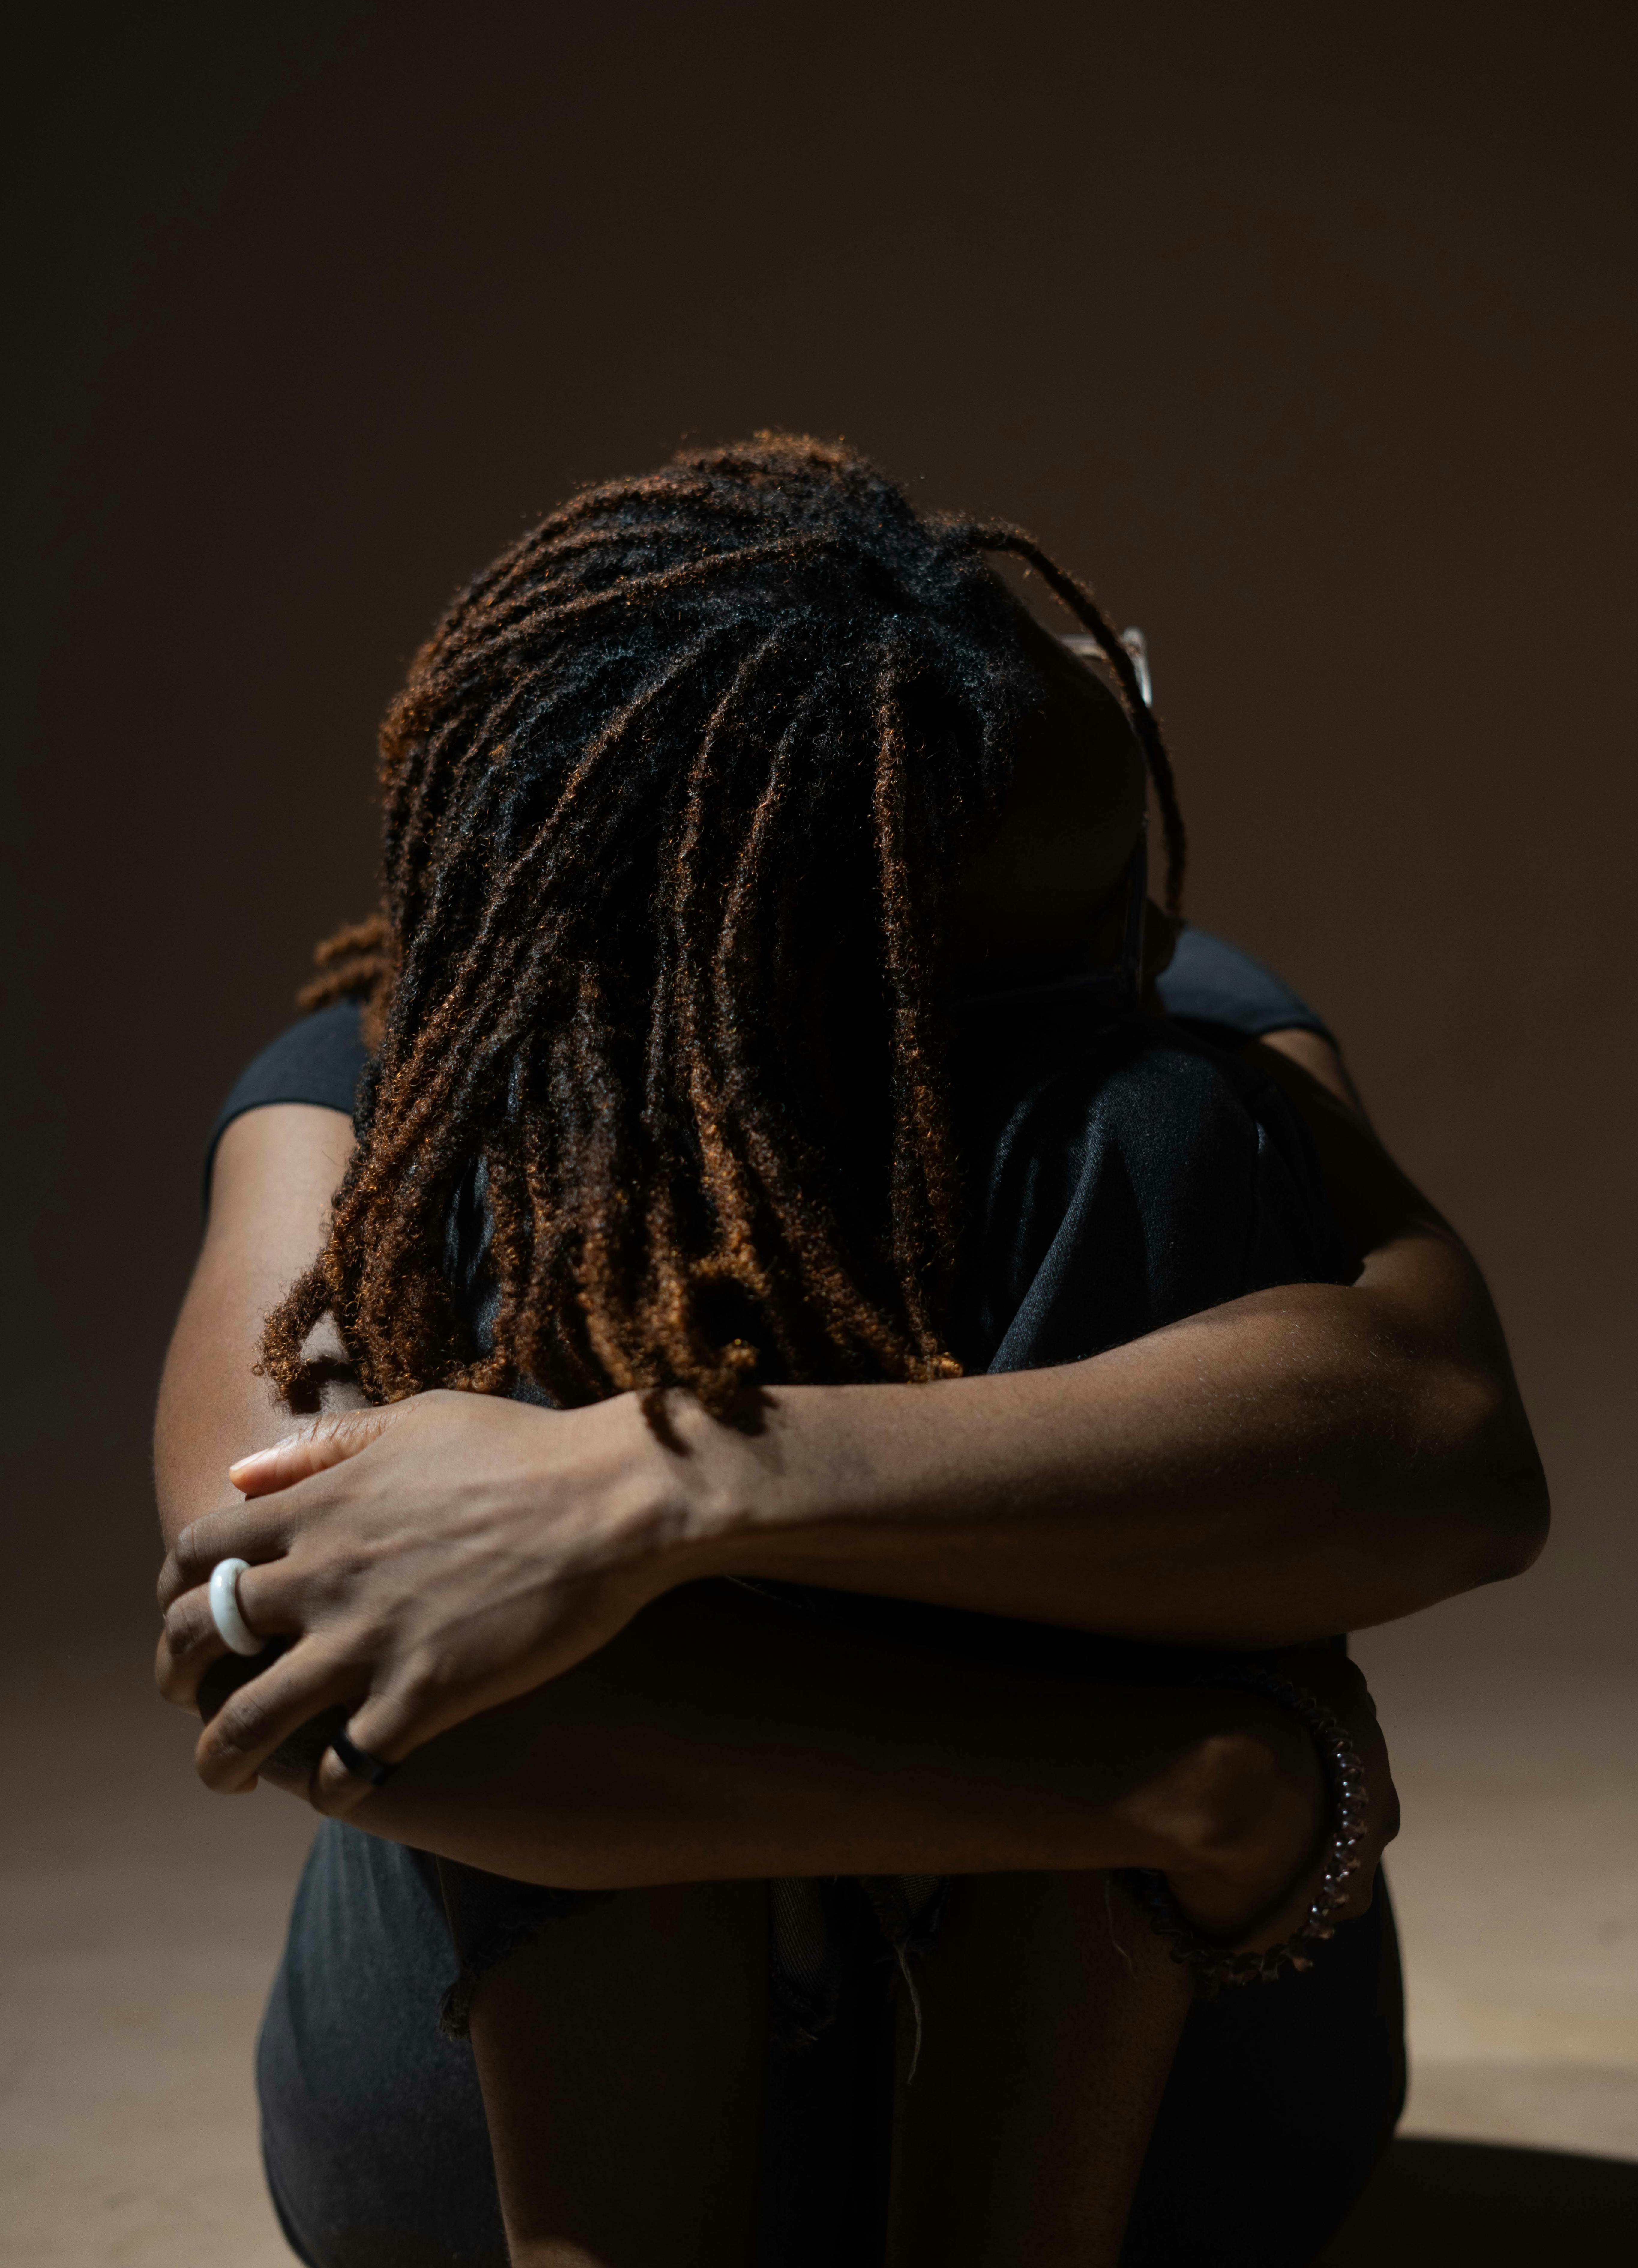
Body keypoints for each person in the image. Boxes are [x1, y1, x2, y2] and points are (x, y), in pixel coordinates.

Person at [154, 434, 1546, 2268]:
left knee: (1163, 1134)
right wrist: (1158, 1787)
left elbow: (1442, 1441)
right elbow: (299, 1653)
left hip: (1162, 2150)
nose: (1148, 946)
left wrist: (663, 1482)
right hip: (474, 2146)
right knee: (572, 1211)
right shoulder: (380, 1096)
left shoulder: (1175, 1041)